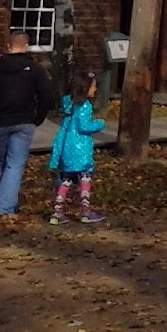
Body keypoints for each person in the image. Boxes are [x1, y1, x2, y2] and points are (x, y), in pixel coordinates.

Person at [0, 29, 55, 218]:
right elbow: (47, 95)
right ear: (26, 46)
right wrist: (38, 117)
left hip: (1, 121)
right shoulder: (35, 69)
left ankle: (4, 202)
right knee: (15, 165)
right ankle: (4, 208)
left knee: (3, 163)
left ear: (8, 46)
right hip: (24, 121)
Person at [47, 71, 106, 225]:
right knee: (85, 178)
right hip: (81, 148)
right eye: (93, 87)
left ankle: (57, 211)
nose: (95, 90)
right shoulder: (84, 106)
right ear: (85, 88)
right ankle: (85, 211)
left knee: (66, 179)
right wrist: (99, 124)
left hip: (67, 147)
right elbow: (83, 126)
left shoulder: (69, 105)